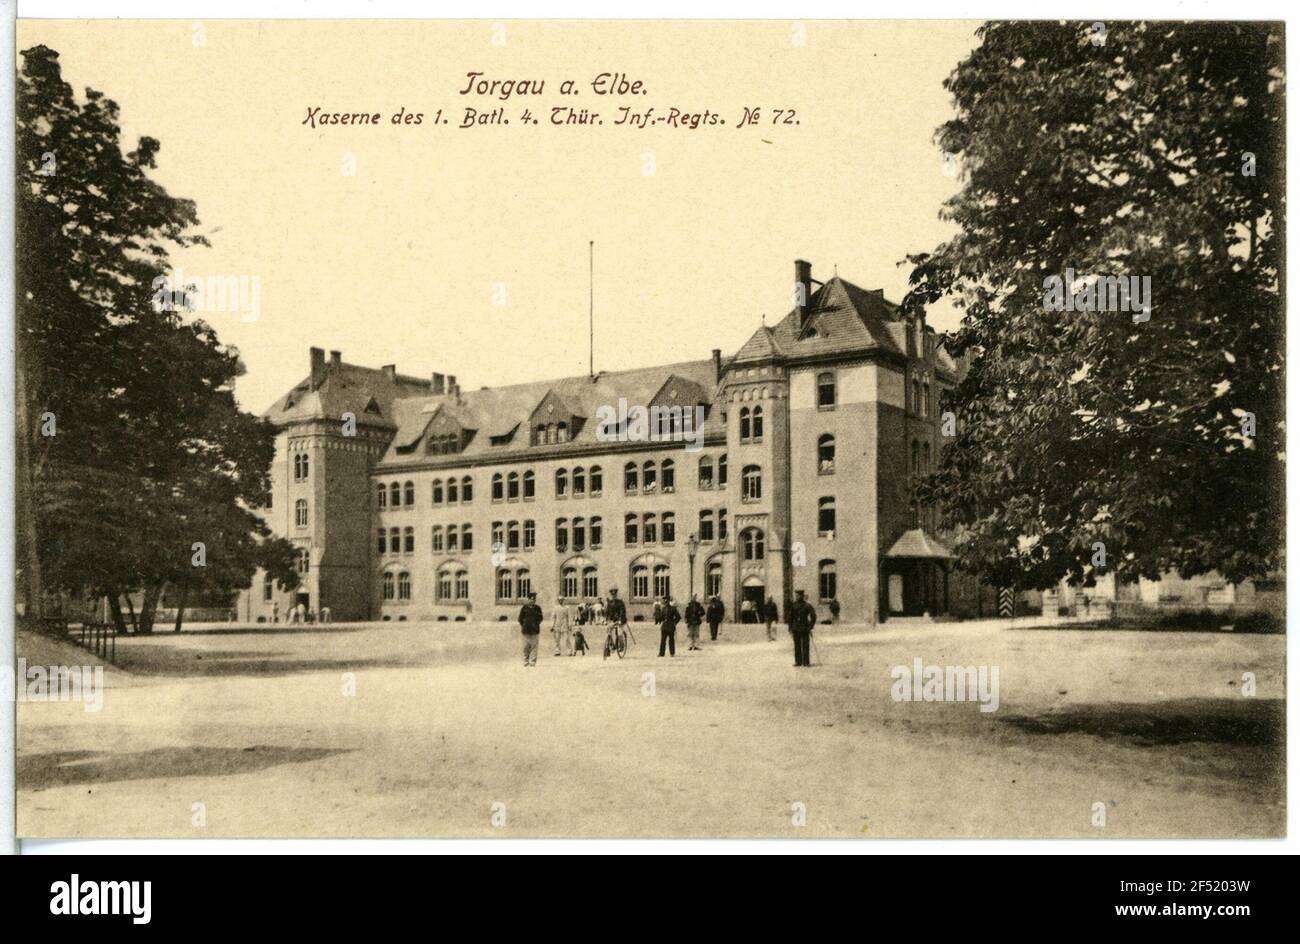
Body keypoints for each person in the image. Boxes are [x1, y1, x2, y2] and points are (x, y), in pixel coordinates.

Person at [787, 590, 817, 667]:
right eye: (796, 595)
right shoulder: (793, 605)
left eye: (798, 595)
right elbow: (790, 617)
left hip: (804, 628)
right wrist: (790, 627)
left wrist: (810, 626)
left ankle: (806, 662)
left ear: (802, 596)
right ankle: (798, 662)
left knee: (805, 645)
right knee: (797, 645)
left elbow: (813, 616)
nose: (796, 597)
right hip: (796, 628)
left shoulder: (807, 605)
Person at [518, 592, 543, 667]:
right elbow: (520, 619)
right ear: (528, 599)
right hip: (526, 630)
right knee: (526, 646)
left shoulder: (538, 608)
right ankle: (525, 661)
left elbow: (540, 618)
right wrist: (525, 625)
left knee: (534, 646)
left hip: (535, 630)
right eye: (532, 599)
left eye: (535, 599)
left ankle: (532, 661)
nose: (534, 600)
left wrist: (535, 624)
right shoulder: (524, 608)